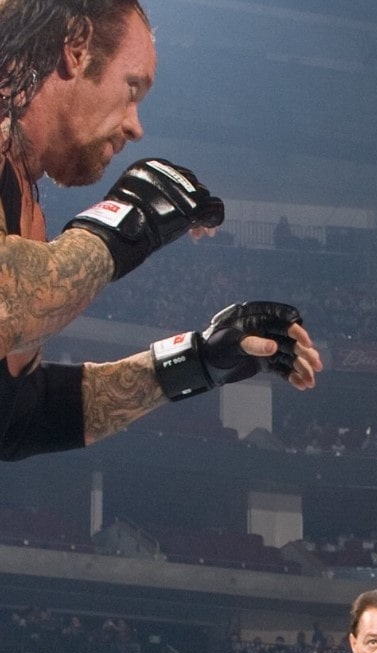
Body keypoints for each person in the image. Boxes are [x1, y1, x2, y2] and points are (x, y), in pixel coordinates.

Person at [0, 0, 322, 460]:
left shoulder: (23, 199)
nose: (135, 127)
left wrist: (195, 360)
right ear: (75, 48)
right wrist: (128, 219)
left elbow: (21, 416)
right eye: (131, 89)